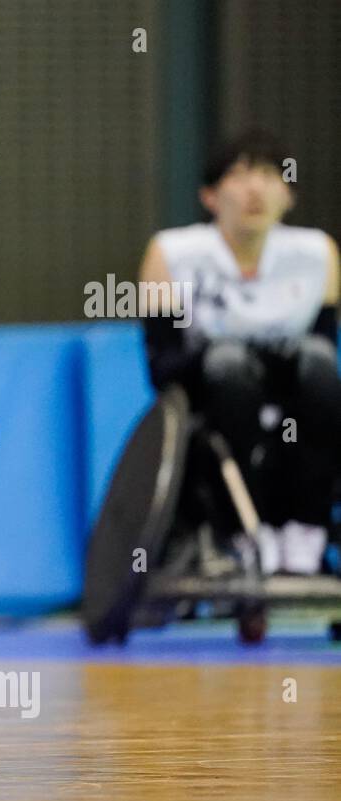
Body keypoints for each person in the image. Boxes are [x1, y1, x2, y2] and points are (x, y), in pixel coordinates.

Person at [139, 130, 341, 574]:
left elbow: (323, 351)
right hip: (216, 403)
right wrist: (228, 354)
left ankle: (306, 529)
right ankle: (242, 534)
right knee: (230, 368)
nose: (256, 189)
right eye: (240, 175)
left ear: (288, 195)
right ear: (209, 196)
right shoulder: (171, 253)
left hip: (292, 408)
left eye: (270, 175)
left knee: (320, 365)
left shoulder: (317, 254)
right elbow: (162, 369)